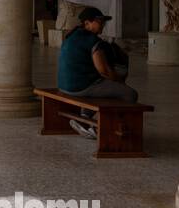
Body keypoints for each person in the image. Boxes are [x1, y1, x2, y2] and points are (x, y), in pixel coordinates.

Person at [59, 7, 137, 137]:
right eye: (99, 21)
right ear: (87, 23)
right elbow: (104, 71)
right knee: (129, 94)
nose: (102, 25)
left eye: (103, 22)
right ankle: (110, 128)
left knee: (103, 88)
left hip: (64, 86)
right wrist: (119, 81)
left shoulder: (70, 36)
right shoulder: (92, 41)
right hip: (80, 87)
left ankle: (84, 119)